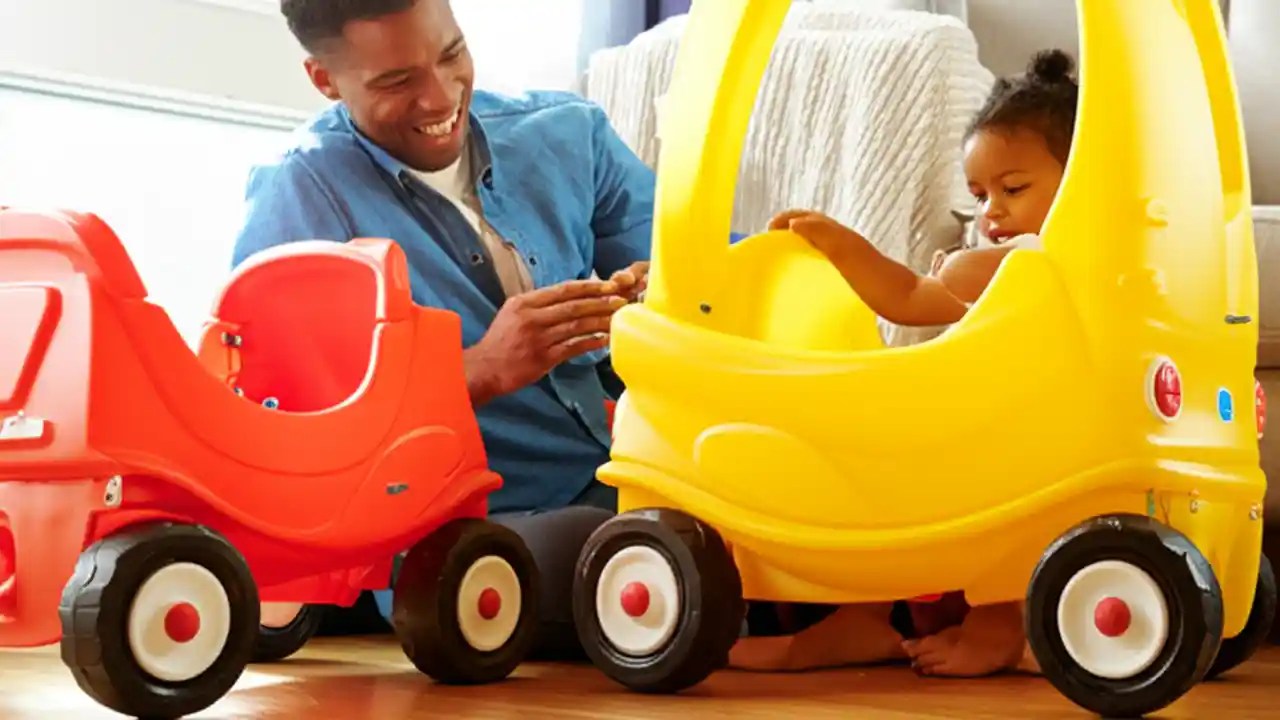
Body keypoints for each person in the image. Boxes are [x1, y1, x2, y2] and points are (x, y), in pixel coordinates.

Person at [236, 0, 654, 658]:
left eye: (452, 53)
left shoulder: (569, 133)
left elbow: (708, 281)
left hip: (631, 473)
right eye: (397, 81)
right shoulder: (300, 196)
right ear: (324, 79)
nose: (440, 96)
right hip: (462, 527)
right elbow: (288, 439)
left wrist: (664, 296)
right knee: (603, 551)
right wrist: (483, 369)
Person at [728, 48, 1079, 677]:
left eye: (1014, 189)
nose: (991, 211)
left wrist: (968, 265)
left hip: (1037, 447)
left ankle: (997, 626)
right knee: (875, 466)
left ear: (1081, 181)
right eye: (978, 195)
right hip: (972, 430)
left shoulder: (1066, 257)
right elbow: (911, 296)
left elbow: (990, 273)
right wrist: (841, 244)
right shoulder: (997, 255)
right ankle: (862, 618)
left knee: (990, 500)